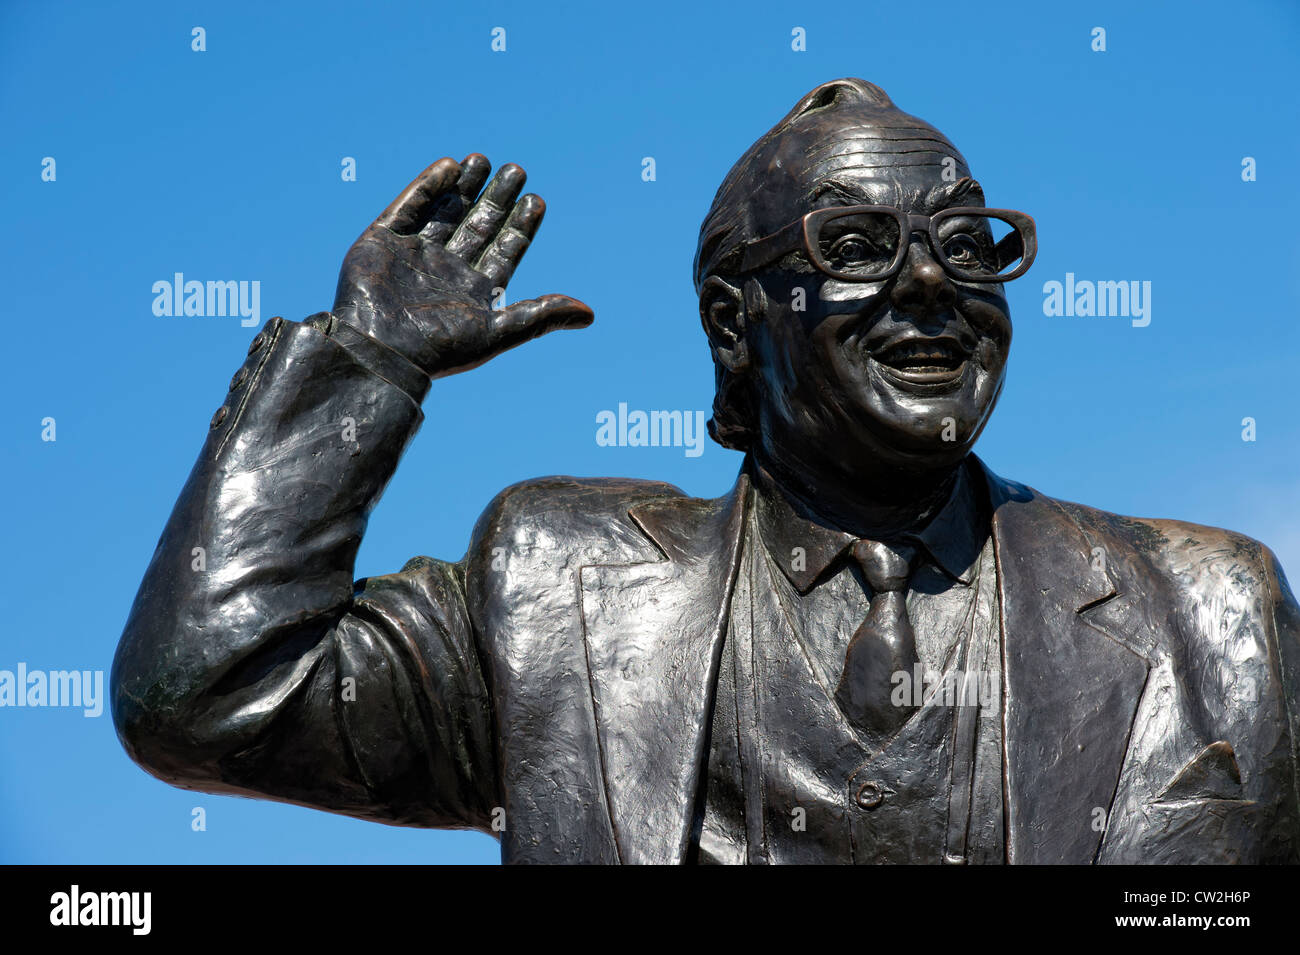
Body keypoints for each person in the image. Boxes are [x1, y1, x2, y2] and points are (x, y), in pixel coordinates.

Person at [111, 78, 1300, 864]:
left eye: (966, 242)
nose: (932, 282)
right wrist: (365, 365)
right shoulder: (553, 585)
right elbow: (210, 698)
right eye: (854, 248)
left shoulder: (1209, 606)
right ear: (736, 325)